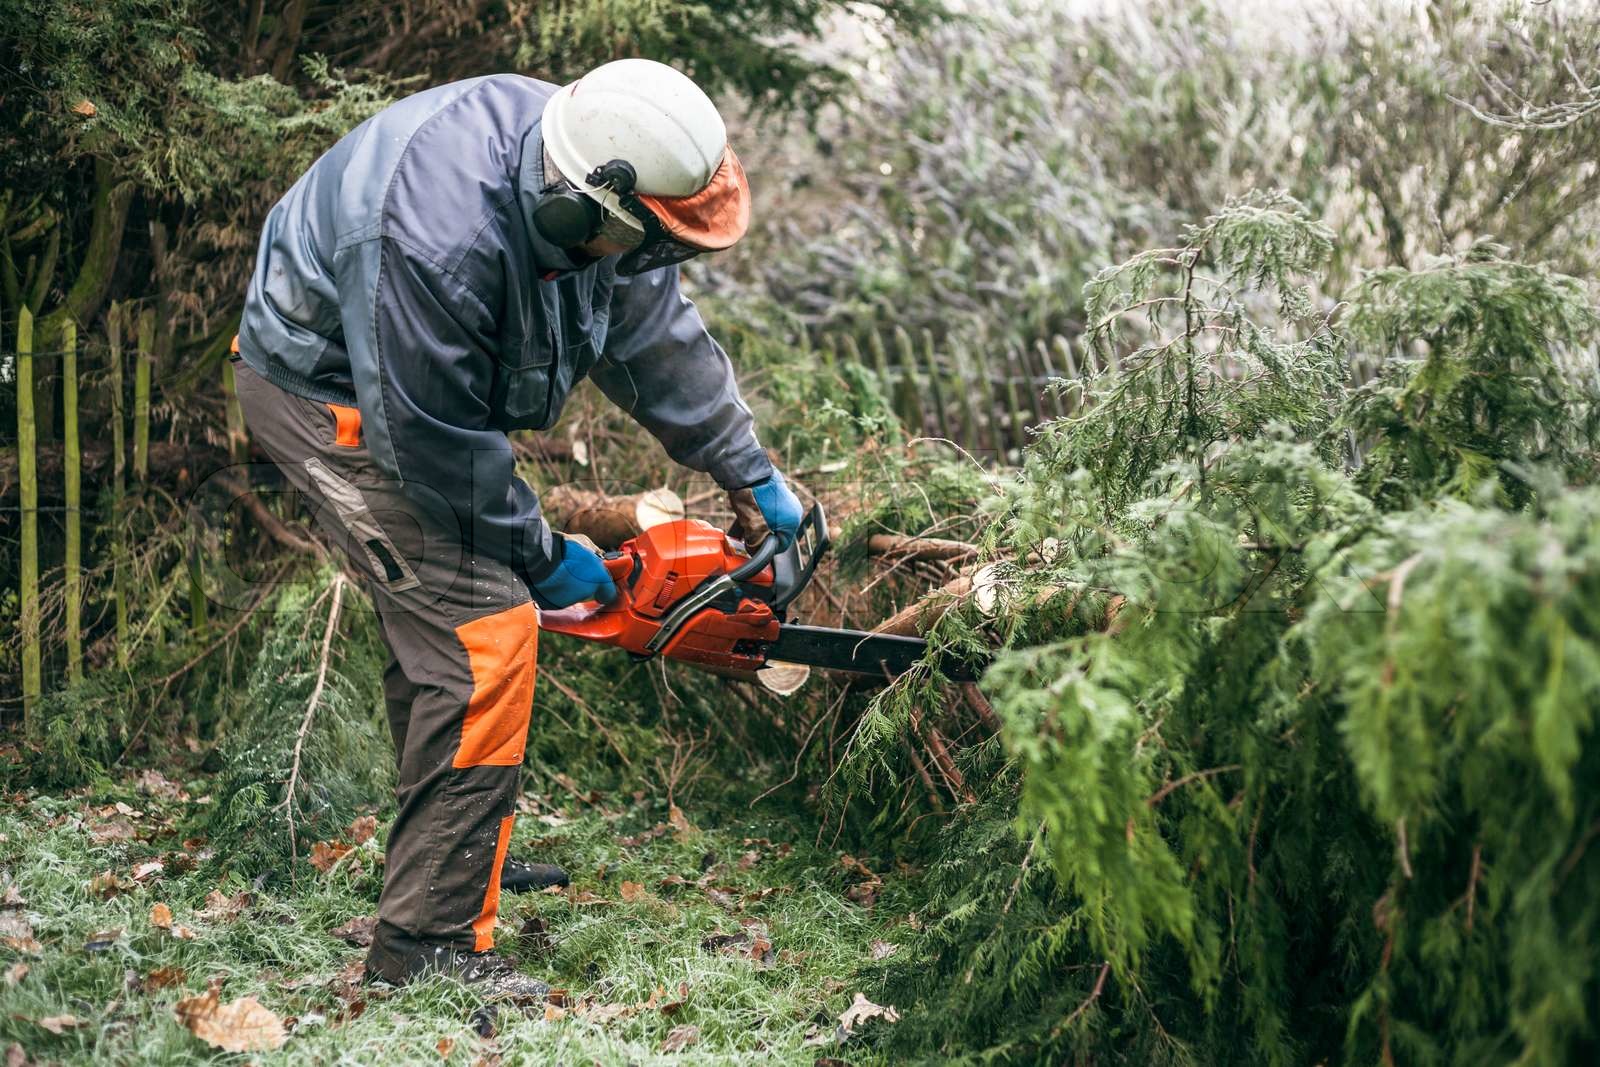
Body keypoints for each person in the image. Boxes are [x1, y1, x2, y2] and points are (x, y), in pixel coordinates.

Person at [230, 58, 803, 997]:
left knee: (456, 629)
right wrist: (544, 558)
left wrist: (750, 470)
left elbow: (658, 339)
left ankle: (460, 860)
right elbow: (427, 439)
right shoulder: (435, 235)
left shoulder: (607, 173)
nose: (647, 256)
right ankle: (425, 944)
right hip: (324, 397)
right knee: (482, 631)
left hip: (410, 402)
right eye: (641, 240)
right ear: (587, 212)